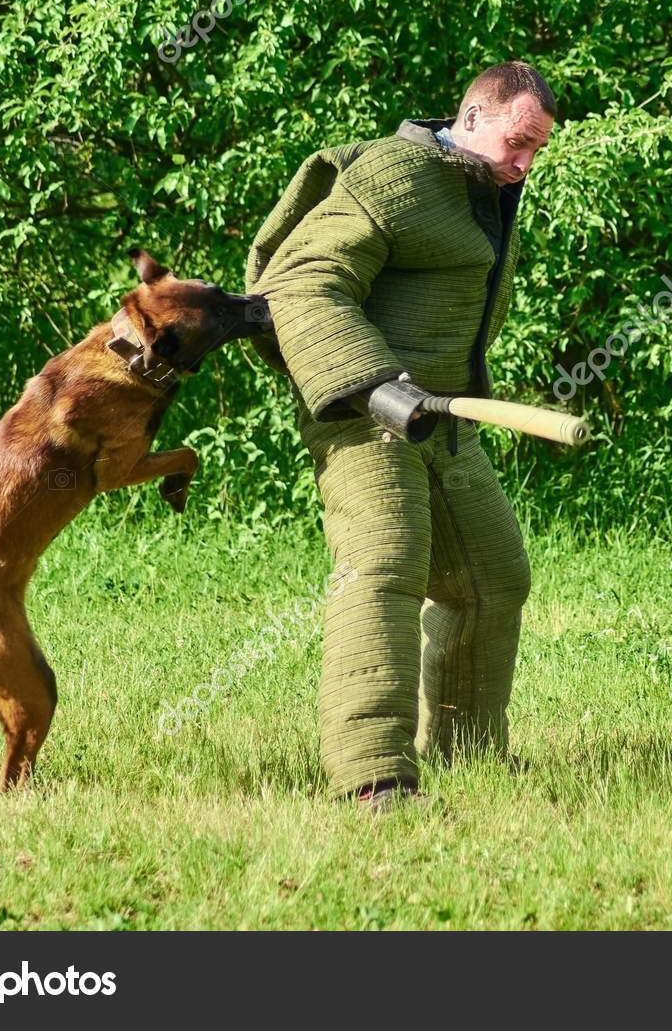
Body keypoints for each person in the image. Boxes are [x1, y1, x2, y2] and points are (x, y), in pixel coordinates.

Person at [246, 61, 556, 810]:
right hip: (362, 414)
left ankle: (468, 749)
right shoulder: (394, 174)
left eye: (537, 151)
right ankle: (373, 774)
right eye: (518, 142)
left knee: (493, 575)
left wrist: (430, 401)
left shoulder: (480, 187)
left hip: (445, 419)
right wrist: (378, 387)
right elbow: (299, 279)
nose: (524, 164)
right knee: (385, 561)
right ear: (474, 117)